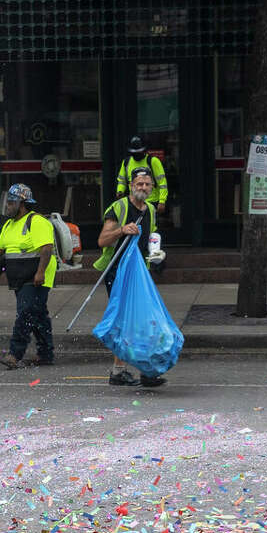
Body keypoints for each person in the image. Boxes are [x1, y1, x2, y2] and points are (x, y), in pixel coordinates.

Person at [95, 165, 164, 388]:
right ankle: (122, 371)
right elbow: (102, 240)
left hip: (139, 271)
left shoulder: (151, 210)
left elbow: (152, 236)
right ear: (131, 186)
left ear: (152, 187)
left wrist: (156, 254)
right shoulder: (119, 207)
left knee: (142, 320)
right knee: (128, 321)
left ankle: (142, 370)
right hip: (117, 270)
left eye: (147, 184)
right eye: (139, 184)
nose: (143, 187)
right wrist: (121, 230)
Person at [0, 182, 57, 369]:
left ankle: (15, 353)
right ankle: (46, 354)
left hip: (37, 276)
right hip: (20, 276)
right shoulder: (9, 225)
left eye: (11, 203)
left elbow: (46, 248)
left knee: (26, 312)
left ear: (21, 204)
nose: (7, 206)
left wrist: (40, 272)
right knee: (37, 314)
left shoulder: (37, 222)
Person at [119, 135, 168, 208]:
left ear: (144, 150)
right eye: (134, 153)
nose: (136, 155)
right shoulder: (126, 162)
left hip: (151, 202)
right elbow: (121, 180)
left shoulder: (153, 161)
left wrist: (162, 201)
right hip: (134, 203)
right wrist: (120, 191)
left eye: (139, 152)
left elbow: (162, 183)